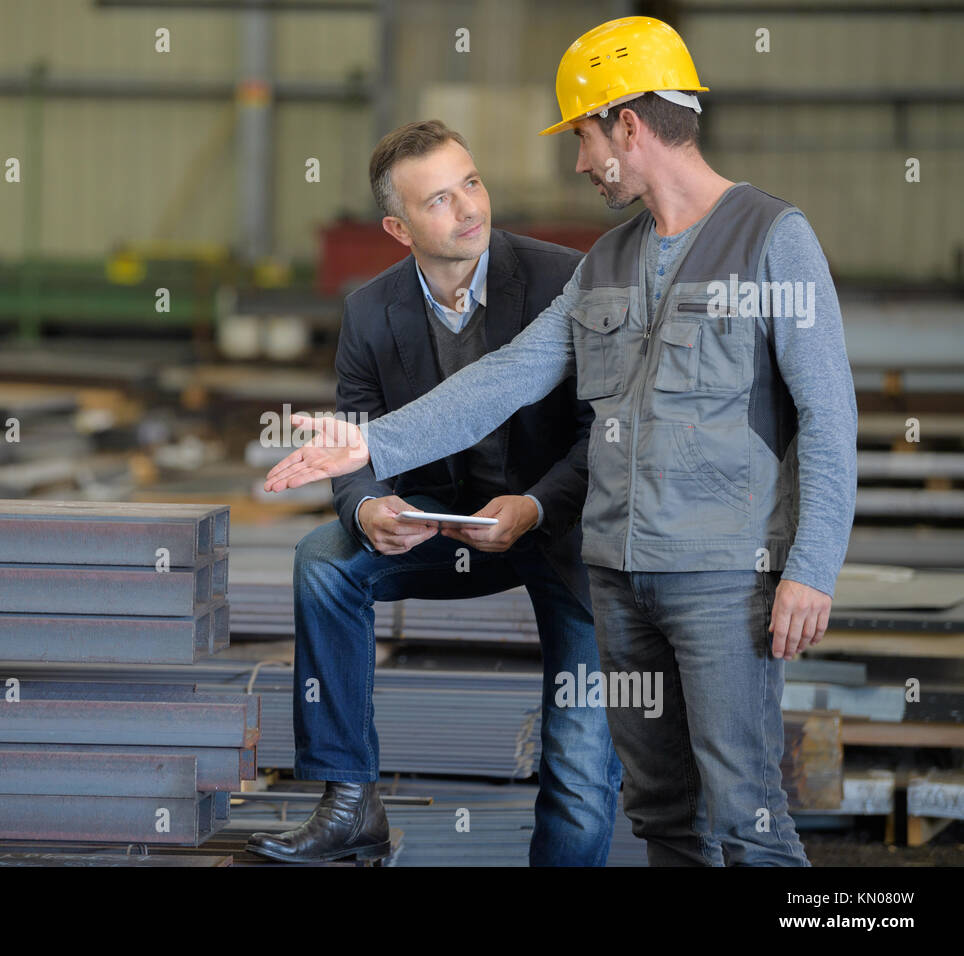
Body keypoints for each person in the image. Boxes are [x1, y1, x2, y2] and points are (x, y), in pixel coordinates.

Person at [262, 16, 858, 866]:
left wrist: (812, 566)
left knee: (744, 816)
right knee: (662, 815)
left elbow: (830, 416)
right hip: (618, 579)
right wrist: (371, 448)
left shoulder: (773, 240)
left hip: (722, 580)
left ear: (627, 124)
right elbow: (505, 376)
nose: (579, 162)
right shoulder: (607, 262)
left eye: (583, 135)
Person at [246, 120, 623, 865]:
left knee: (580, 758)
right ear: (397, 226)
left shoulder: (562, 281)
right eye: (440, 199)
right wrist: (366, 506)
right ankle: (351, 799)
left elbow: (602, 432)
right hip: (437, 531)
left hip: (559, 531)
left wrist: (536, 504)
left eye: (473, 183)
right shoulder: (369, 310)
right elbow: (357, 437)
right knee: (324, 558)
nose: (470, 209)